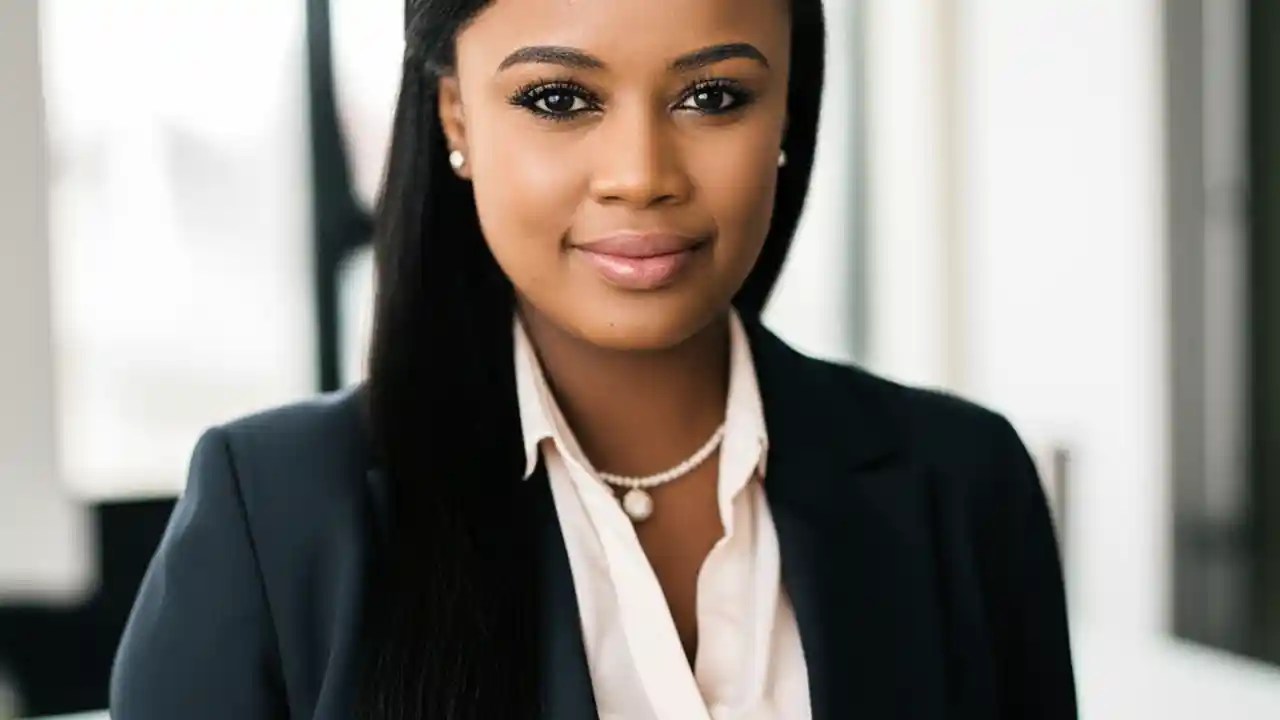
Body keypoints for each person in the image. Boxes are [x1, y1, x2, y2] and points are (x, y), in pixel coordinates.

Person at [109, 0, 1077, 718]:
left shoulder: (965, 485)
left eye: (713, 96)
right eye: (559, 98)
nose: (640, 176)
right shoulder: (271, 517)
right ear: (456, 117)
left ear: (787, 110)